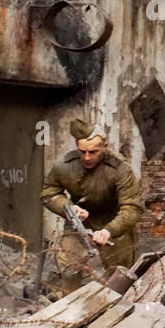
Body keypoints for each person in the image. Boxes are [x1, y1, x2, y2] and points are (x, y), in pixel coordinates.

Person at [41, 118, 142, 280]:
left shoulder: (120, 169)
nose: (87, 157)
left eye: (93, 152)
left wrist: (109, 230)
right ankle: (71, 303)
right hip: (78, 223)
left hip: (114, 222)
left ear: (104, 147)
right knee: (69, 270)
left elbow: (132, 208)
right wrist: (68, 208)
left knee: (119, 276)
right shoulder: (65, 166)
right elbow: (49, 192)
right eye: (82, 152)